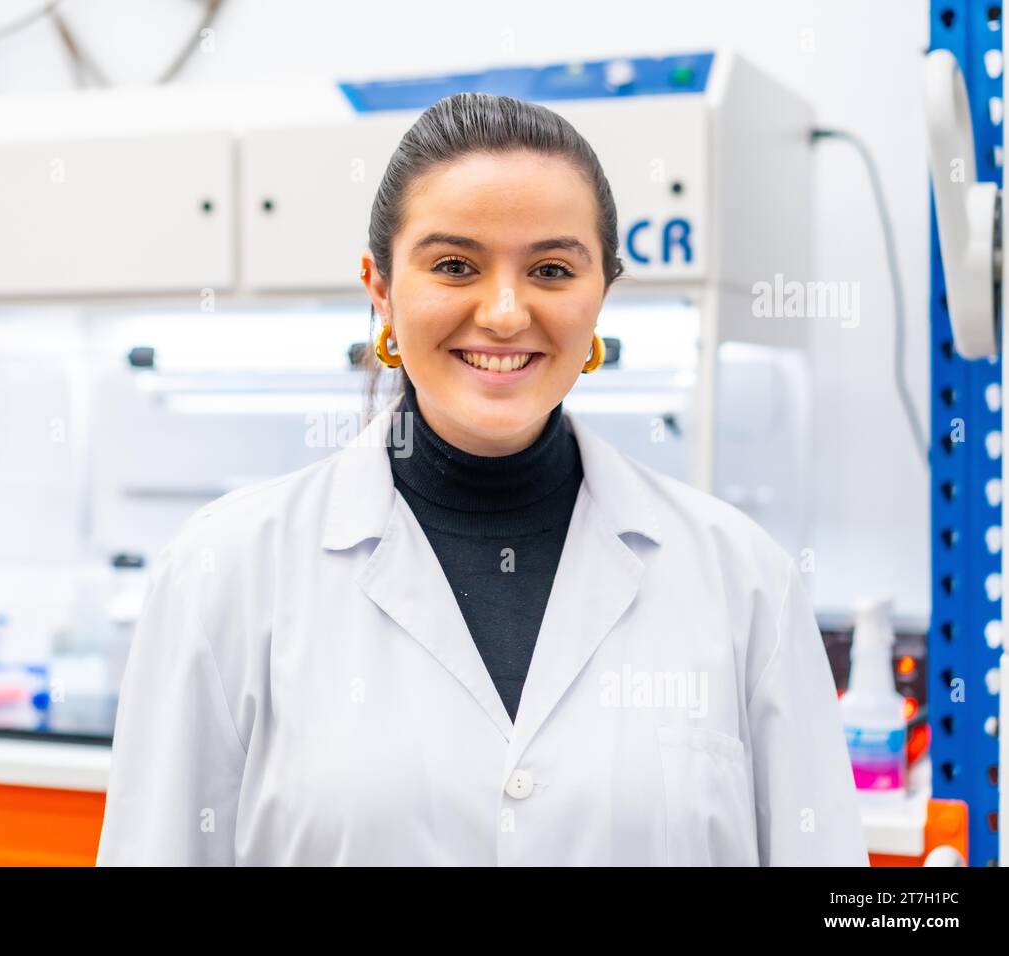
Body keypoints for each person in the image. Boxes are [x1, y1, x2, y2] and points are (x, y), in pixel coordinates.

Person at [96, 92, 867, 866]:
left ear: (602, 294)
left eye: (553, 269)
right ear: (381, 290)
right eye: (455, 265)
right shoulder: (225, 573)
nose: (503, 312)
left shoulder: (743, 580)